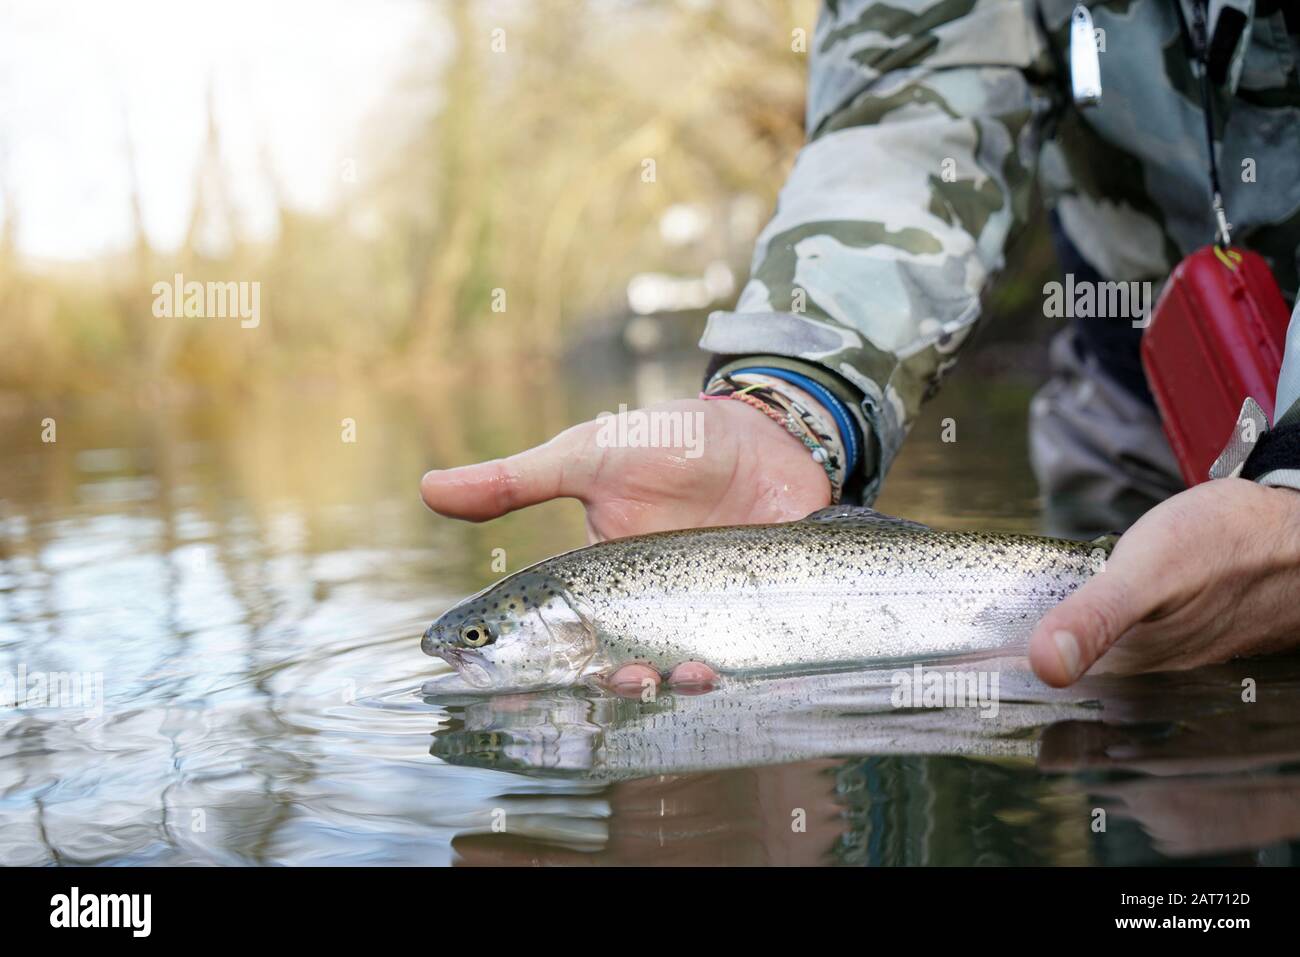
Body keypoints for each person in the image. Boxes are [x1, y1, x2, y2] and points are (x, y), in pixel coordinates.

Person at [421, 0, 1300, 693]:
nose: (458, 650)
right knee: (1141, 750)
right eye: (477, 637)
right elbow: (909, 98)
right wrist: (791, 402)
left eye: (477, 639)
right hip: (1143, 374)